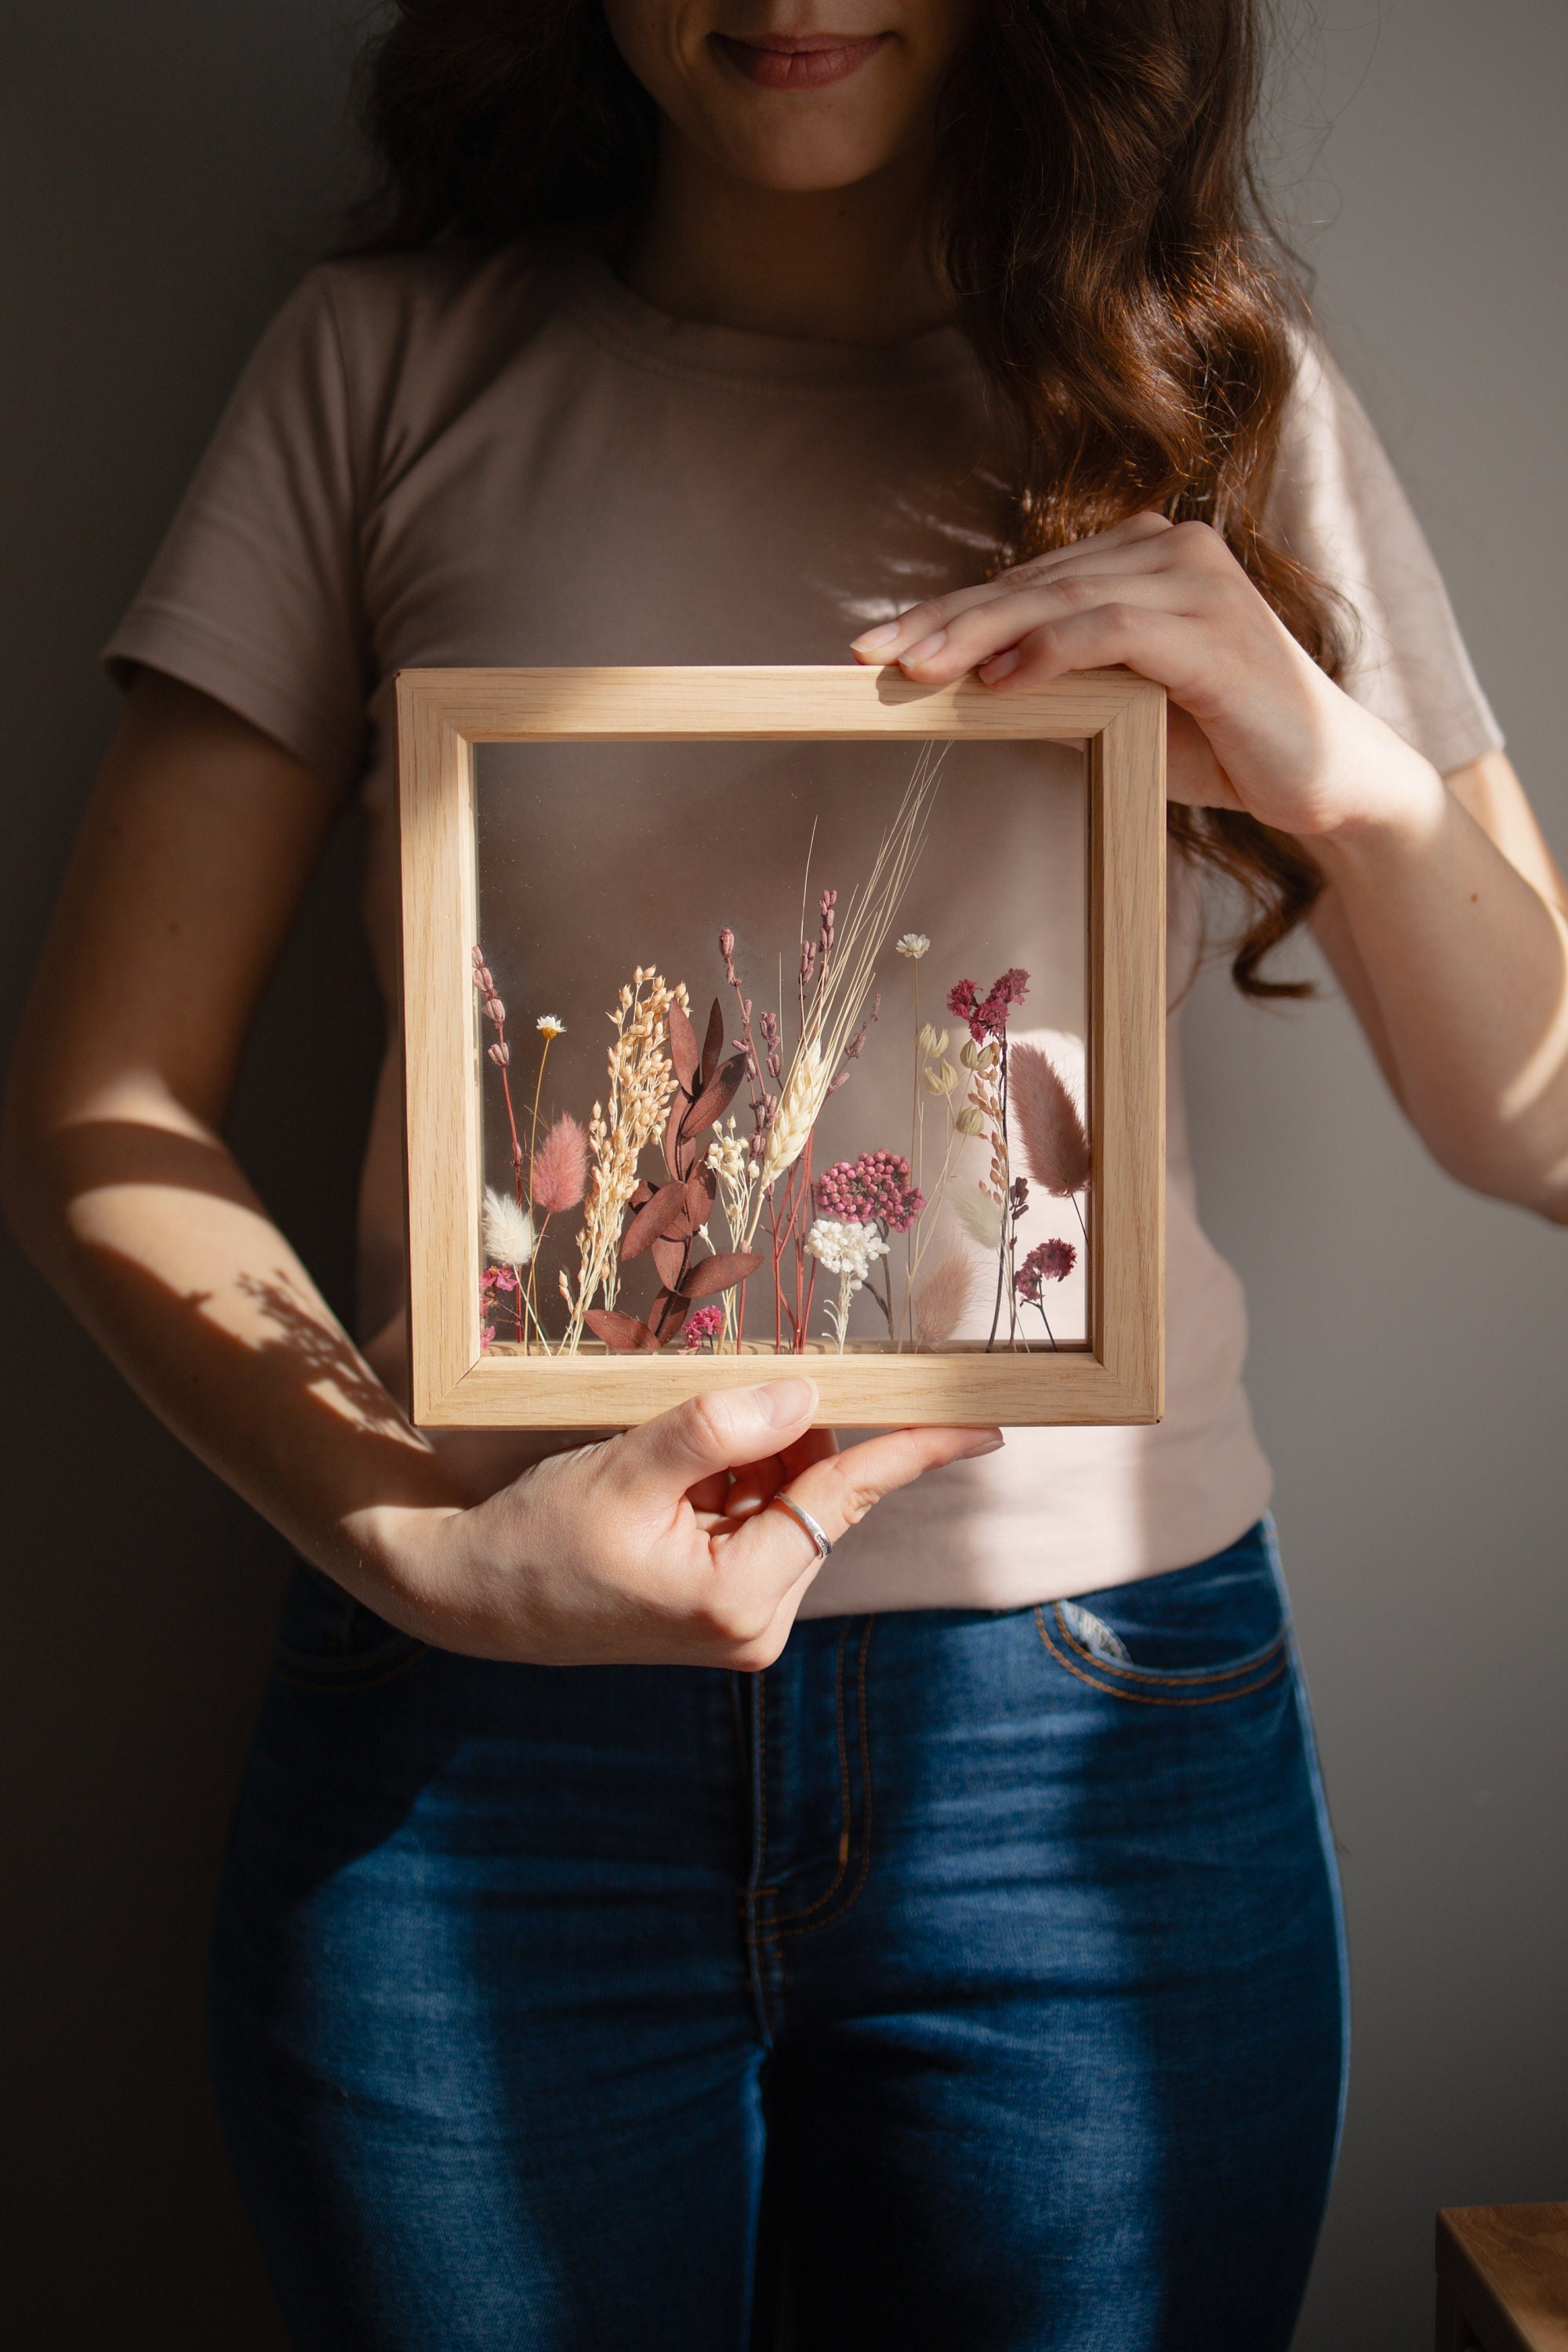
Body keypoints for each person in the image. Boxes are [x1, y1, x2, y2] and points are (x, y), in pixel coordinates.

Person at [5, 1, 1566, 2345]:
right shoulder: (383, 362)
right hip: (476, 1738)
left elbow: (1535, 1122)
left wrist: (1333, 773)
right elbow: (103, 1097)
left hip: (1096, 1730)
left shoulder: (1210, 394)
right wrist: (421, 1530)